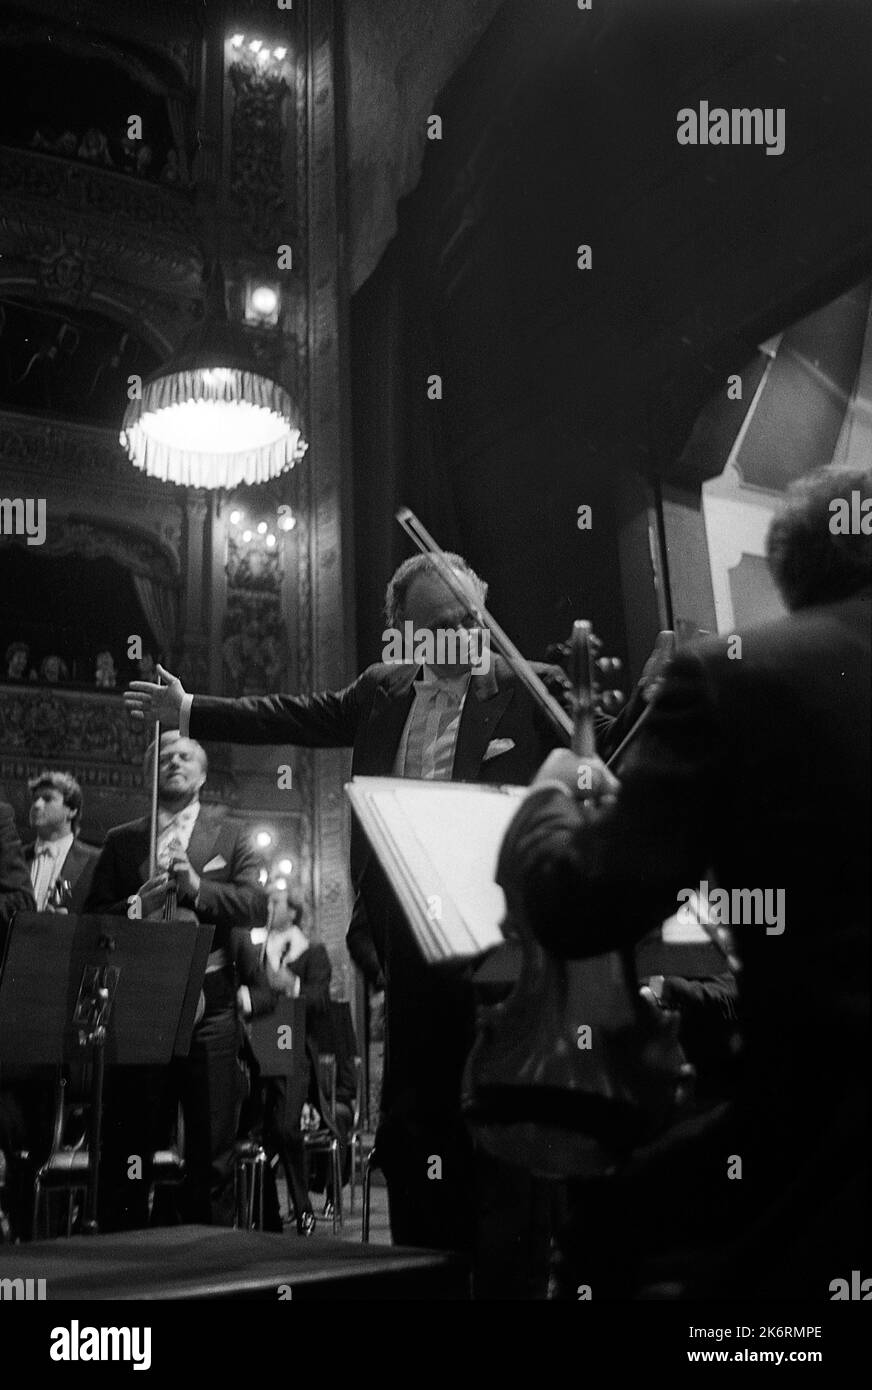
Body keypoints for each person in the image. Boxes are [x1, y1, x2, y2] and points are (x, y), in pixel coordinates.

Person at [125, 551, 616, 1296]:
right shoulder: (381, 692)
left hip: (502, 946)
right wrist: (190, 710)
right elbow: (290, 714)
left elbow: (612, 746)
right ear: (407, 634)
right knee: (416, 1126)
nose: (466, 633)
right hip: (408, 944)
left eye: (474, 617)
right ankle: (426, 1272)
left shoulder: (533, 689)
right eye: (445, 624)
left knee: (499, 1131)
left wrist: (631, 702)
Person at [495, 465, 871, 1299]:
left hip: (827, 1121)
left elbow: (580, 904)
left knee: (607, 1232)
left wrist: (555, 791)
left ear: (790, 572)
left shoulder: (735, 676)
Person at [84, 731, 268, 1228]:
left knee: (212, 1149)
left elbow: (255, 904)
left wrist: (200, 888)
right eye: (163, 757)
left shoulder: (233, 835)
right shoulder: (123, 841)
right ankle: (121, 1265)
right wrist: (133, 906)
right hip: (140, 1002)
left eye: (184, 756)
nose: (173, 762)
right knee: (129, 1143)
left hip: (212, 1002)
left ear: (203, 774)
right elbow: (93, 915)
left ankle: (206, 1263)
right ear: (150, 775)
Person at [25, 771, 99, 914]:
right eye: (35, 799)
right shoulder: (13, 859)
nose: (37, 805)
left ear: (71, 811)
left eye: (47, 799)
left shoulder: (95, 861)